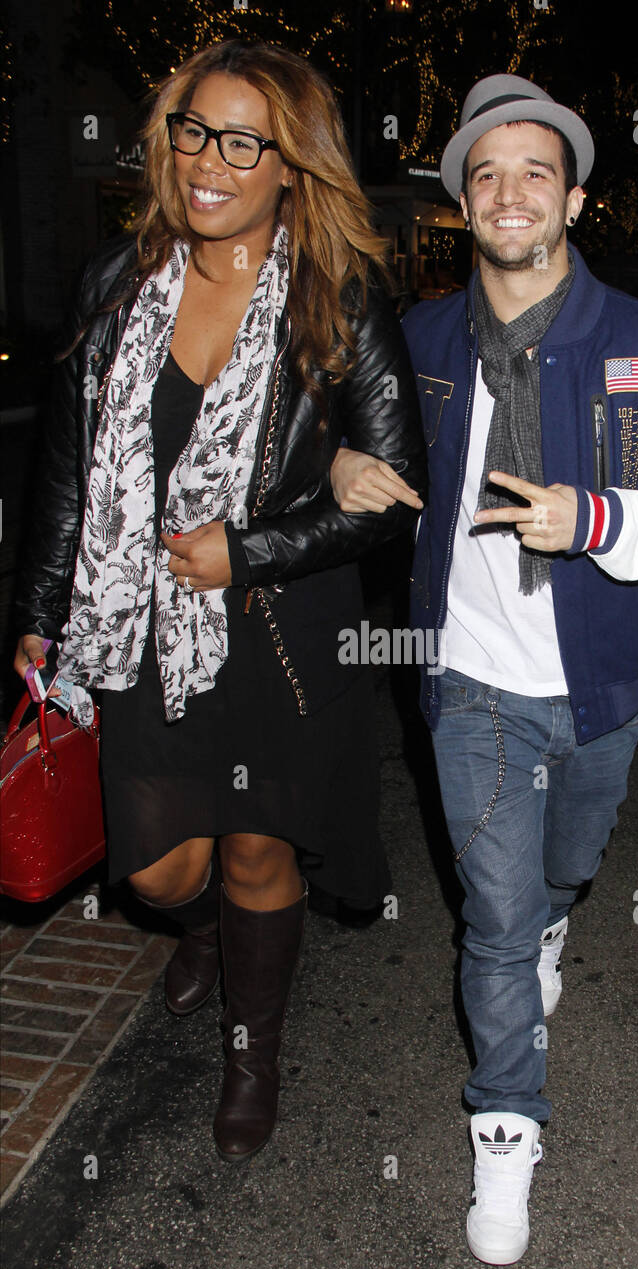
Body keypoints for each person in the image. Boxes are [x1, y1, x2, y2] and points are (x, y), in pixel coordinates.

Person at [332, 75, 638, 1263]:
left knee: (564, 870)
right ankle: (506, 1127)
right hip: (469, 683)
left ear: (571, 198)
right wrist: (342, 469)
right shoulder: (414, 339)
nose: (510, 193)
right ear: (464, 202)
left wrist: (596, 519)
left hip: (603, 682)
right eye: (487, 174)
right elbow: (336, 441)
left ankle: (559, 917)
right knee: (496, 919)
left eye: (535, 172)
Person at [13, 39, 426, 1164]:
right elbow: (66, 470)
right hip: (142, 630)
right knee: (161, 869)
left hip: (278, 635)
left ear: (291, 165)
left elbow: (395, 495)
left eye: (245, 143)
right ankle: (199, 930)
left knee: (256, 854)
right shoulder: (117, 283)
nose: (210, 162)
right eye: (195, 131)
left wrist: (246, 551)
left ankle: (254, 1053)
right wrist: (40, 612)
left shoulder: (335, 298)